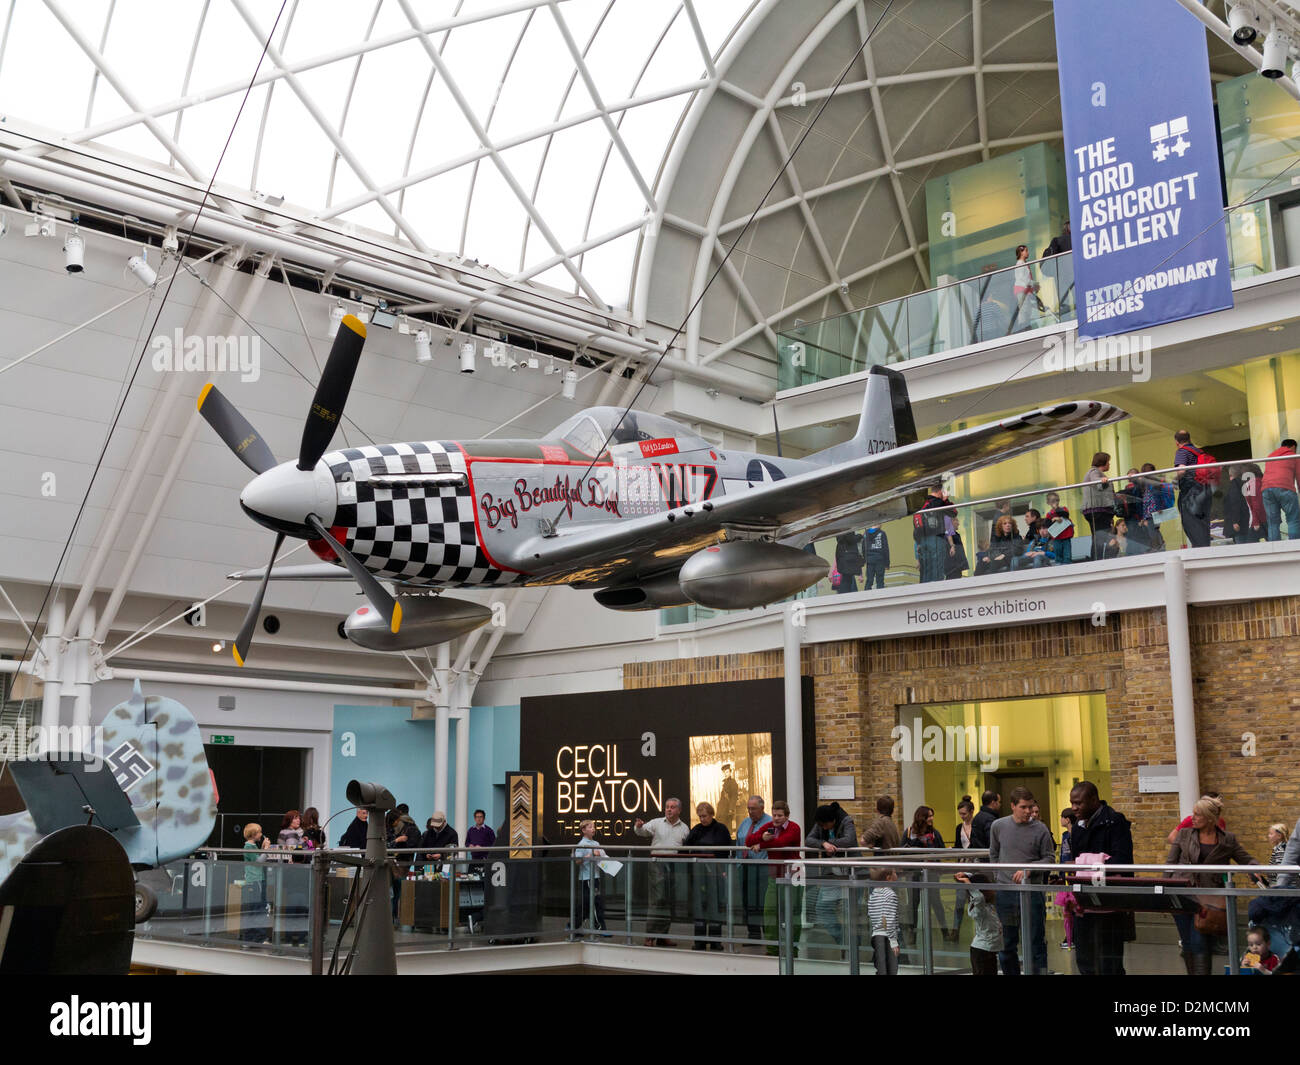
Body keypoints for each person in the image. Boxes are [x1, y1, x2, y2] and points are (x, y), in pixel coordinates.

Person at [1166, 795, 1264, 976]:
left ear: (1210, 818)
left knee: (1199, 942)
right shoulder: (1184, 834)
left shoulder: (1227, 839)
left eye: (1198, 814)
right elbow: (1170, 863)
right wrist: (1165, 892)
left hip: (1208, 900)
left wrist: (1254, 868)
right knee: (1187, 943)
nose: (1192, 817)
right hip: (1182, 893)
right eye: (1193, 813)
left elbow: (1246, 858)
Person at [1068, 781, 1134, 975]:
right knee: (1085, 957)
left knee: (1109, 958)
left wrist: (1084, 863)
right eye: (1072, 803)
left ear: (1094, 800)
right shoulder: (1078, 826)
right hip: (1084, 898)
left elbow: (1122, 860)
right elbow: (1077, 858)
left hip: (1109, 899)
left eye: (1078, 803)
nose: (1074, 808)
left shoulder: (1114, 822)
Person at [989, 786, 1055, 975]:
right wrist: (998, 877)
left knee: (1036, 941)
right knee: (1007, 942)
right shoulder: (998, 826)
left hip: (1032, 892)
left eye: (1030, 807)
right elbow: (993, 853)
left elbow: (1049, 858)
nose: (1028, 811)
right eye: (1023, 807)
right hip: (1006, 892)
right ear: (1012, 806)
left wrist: (1028, 869)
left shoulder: (1040, 828)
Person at [747, 799, 802, 956]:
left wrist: (762, 844)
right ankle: (772, 949)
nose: (776, 818)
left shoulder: (794, 828)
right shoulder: (769, 827)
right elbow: (748, 840)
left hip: (795, 873)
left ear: (786, 816)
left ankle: (793, 949)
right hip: (775, 874)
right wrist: (761, 839)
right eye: (774, 815)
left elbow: (782, 842)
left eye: (779, 815)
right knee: (770, 911)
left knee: (794, 912)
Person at [635, 797, 690, 947]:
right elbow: (642, 831)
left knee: (669, 901)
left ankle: (662, 936)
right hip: (657, 864)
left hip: (674, 865)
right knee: (657, 900)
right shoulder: (657, 823)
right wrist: (639, 826)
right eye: (667, 807)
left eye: (672, 807)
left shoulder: (684, 828)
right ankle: (649, 936)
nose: (669, 809)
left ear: (679, 810)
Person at [805, 801, 858, 946]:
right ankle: (843, 940)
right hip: (831, 873)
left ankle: (853, 944)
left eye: (825, 825)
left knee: (851, 911)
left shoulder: (846, 821)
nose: (823, 828)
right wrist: (823, 844)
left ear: (833, 820)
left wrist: (830, 842)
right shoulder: (821, 822)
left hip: (852, 873)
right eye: (821, 826)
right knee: (822, 909)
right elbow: (808, 840)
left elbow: (850, 840)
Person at [684, 801, 732, 950]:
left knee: (715, 906)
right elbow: (685, 849)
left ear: (711, 814)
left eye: (704, 816)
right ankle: (699, 941)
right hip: (699, 874)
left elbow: (727, 851)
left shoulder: (721, 829)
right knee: (699, 905)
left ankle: (715, 940)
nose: (702, 819)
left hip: (716, 874)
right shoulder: (696, 830)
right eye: (700, 816)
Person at [900, 806, 949, 949]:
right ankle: (912, 933)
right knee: (913, 904)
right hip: (913, 873)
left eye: (932, 816)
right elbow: (902, 852)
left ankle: (945, 931)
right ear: (921, 817)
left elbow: (942, 850)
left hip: (931, 873)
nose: (932, 819)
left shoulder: (934, 833)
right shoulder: (909, 832)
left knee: (936, 902)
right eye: (929, 816)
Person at [736, 795, 773, 941]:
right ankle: (753, 934)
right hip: (744, 866)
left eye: (754, 809)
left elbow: (773, 841)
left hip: (762, 867)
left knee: (763, 902)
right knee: (747, 901)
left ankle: (768, 934)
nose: (750, 812)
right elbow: (739, 843)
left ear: (762, 808)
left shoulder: (770, 822)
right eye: (748, 809)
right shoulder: (745, 823)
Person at [953, 871, 1002, 974]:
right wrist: (968, 883)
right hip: (981, 952)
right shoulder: (978, 909)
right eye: (989, 886)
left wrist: (967, 875)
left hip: (990, 951)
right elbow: (978, 897)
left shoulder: (989, 906)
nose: (993, 889)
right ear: (982, 891)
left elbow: (977, 882)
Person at [1173, 430, 1214, 548]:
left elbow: (1181, 470)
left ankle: (1199, 551)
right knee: (1203, 523)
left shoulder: (1182, 451)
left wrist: (1174, 480)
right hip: (1205, 490)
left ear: (1176, 442)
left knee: (1190, 522)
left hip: (1191, 492)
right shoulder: (1199, 452)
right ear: (1189, 439)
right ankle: (1205, 549)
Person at [1260, 438, 1300, 541]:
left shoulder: (1270, 456)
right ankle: (1295, 546)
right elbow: (1299, 476)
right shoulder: (1293, 455)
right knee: (1293, 519)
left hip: (1266, 489)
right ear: (1293, 447)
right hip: (1285, 487)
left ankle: (1274, 549)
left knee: (1272, 522)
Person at [914, 485, 955, 583]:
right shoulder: (940, 503)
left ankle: (926, 593)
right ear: (940, 492)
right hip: (937, 539)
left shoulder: (921, 504)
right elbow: (954, 512)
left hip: (923, 540)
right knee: (937, 570)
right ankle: (937, 593)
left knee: (926, 570)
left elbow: (916, 525)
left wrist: (918, 543)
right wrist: (946, 500)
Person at [950, 797, 977, 941]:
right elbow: (958, 845)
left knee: (976, 898)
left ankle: (979, 929)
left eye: (964, 813)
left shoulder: (977, 826)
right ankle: (955, 930)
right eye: (960, 813)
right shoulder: (958, 828)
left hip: (975, 865)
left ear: (971, 812)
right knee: (959, 900)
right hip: (962, 864)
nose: (962, 816)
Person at [574, 820, 608, 933]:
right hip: (587, 878)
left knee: (592, 902)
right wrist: (591, 855)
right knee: (591, 903)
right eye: (590, 827)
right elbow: (577, 861)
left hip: (596, 877)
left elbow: (603, 856)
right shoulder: (581, 844)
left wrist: (600, 855)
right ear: (583, 830)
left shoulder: (596, 844)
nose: (593, 829)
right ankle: (599, 927)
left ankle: (574, 926)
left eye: (593, 827)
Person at [241, 822, 271, 945]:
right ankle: (256, 937)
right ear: (253, 834)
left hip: (258, 880)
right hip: (255, 881)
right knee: (258, 909)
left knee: (256, 908)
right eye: (259, 832)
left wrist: (262, 848)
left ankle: (252, 937)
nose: (261, 834)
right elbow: (258, 861)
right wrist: (266, 850)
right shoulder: (248, 847)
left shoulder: (252, 847)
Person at [867, 866, 901, 974]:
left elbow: (871, 913)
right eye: (895, 872)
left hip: (876, 935)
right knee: (891, 969)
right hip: (887, 937)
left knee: (881, 968)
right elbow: (888, 918)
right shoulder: (890, 895)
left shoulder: (874, 894)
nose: (897, 875)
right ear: (889, 878)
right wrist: (893, 941)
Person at [1082, 451, 1115, 560]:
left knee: (1100, 537)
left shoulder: (1094, 472)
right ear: (1103, 462)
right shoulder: (1094, 471)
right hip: (1097, 511)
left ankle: (1098, 559)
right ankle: (1097, 560)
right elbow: (1097, 482)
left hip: (1096, 510)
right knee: (1100, 538)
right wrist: (1103, 481)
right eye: (1108, 462)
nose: (1109, 464)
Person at [1139, 463, 1174, 551]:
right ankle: (1161, 547)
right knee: (1154, 530)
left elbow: (1157, 495)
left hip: (1154, 511)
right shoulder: (1147, 484)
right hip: (1150, 512)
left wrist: (1159, 508)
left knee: (1153, 531)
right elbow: (1146, 500)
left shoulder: (1153, 483)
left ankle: (1158, 549)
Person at [1011, 244, 1040, 331]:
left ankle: (1026, 327)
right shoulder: (1020, 264)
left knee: (1027, 309)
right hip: (1022, 290)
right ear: (1021, 252)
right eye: (1026, 251)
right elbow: (1024, 279)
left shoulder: (1024, 263)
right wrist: (1034, 284)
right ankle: (1024, 328)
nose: (1028, 253)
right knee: (1025, 310)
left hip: (1025, 290)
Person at [1224, 465, 1253, 545]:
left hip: (1237, 524)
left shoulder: (1234, 485)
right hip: (1244, 521)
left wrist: (1235, 521)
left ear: (1231, 475)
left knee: (1240, 547)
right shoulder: (1243, 484)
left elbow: (1235, 503)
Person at [1044, 491, 1074, 564]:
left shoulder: (1064, 509)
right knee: (1058, 555)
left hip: (1066, 537)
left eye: (1057, 500)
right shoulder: (1049, 514)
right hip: (1057, 538)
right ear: (1048, 503)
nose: (1056, 502)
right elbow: (1047, 524)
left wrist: (1057, 509)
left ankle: (1067, 566)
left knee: (1067, 555)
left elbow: (1065, 515)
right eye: (1053, 501)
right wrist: (1054, 520)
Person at [863, 525, 890, 589]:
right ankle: (881, 597)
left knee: (869, 580)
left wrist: (864, 559)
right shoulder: (882, 533)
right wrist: (887, 563)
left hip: (869, 560)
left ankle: (866, 596)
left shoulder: (865, 533)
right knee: (880, 580)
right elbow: (885, 548)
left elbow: (863, 547)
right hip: (880, 559)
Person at [716, 764, 739, 831]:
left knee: (726, 827)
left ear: (730, 772)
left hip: (727, 808)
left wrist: (731, 809)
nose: (725, 774)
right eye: (724, 772)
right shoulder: (725, 782)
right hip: (722, 809)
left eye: (727, 772)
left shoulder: (732, 782)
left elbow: (734, 796)